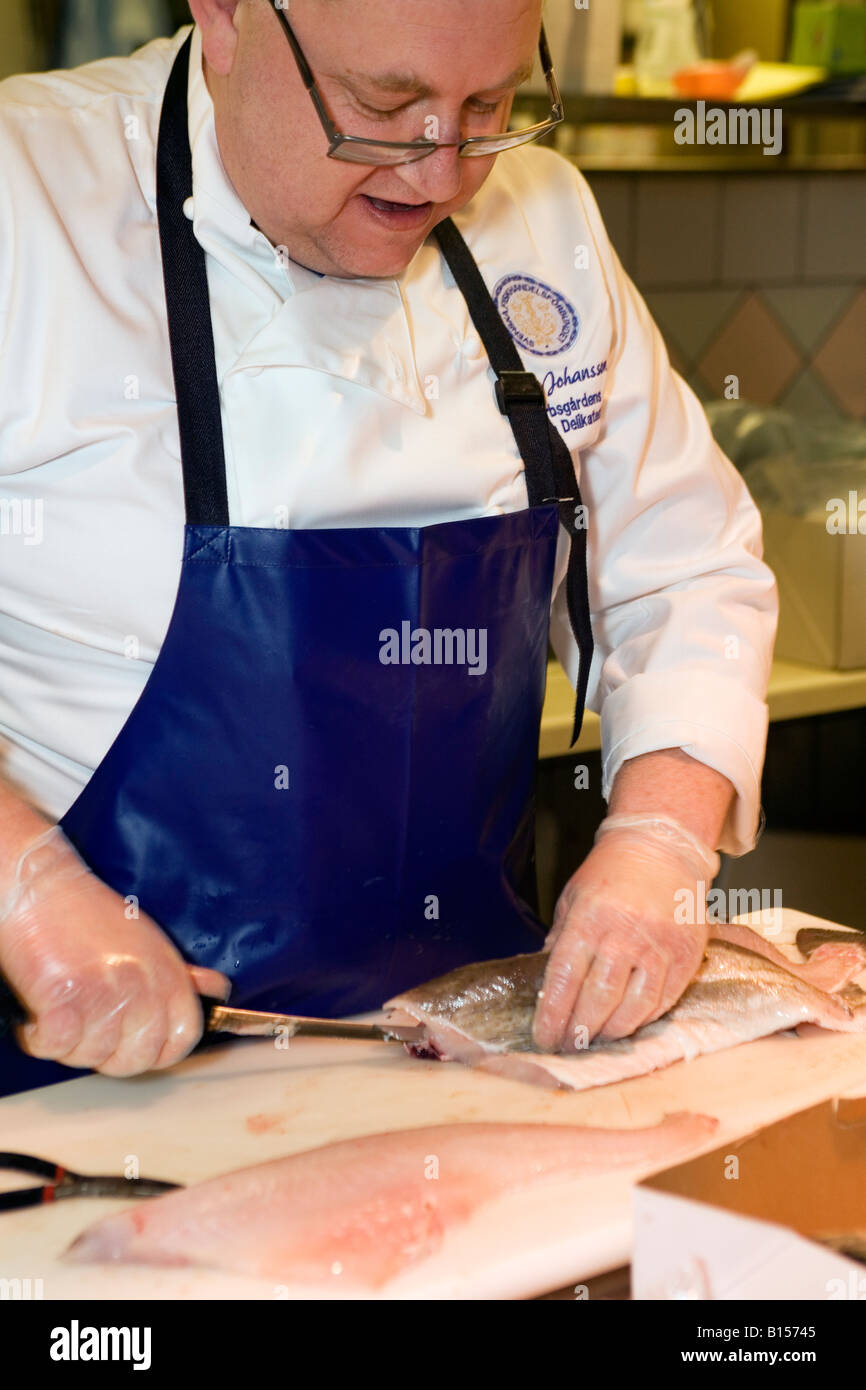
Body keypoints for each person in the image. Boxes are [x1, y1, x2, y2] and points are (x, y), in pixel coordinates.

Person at [0, 0, 778, 1095]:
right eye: (383, 107)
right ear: (221, 16)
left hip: (467, 1057)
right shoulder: (24, 194)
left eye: (489, 105)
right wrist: (24, 891)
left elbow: (685, 566)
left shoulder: (541, 216)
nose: (441, 173)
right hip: (73, 1086)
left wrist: (660, 836)